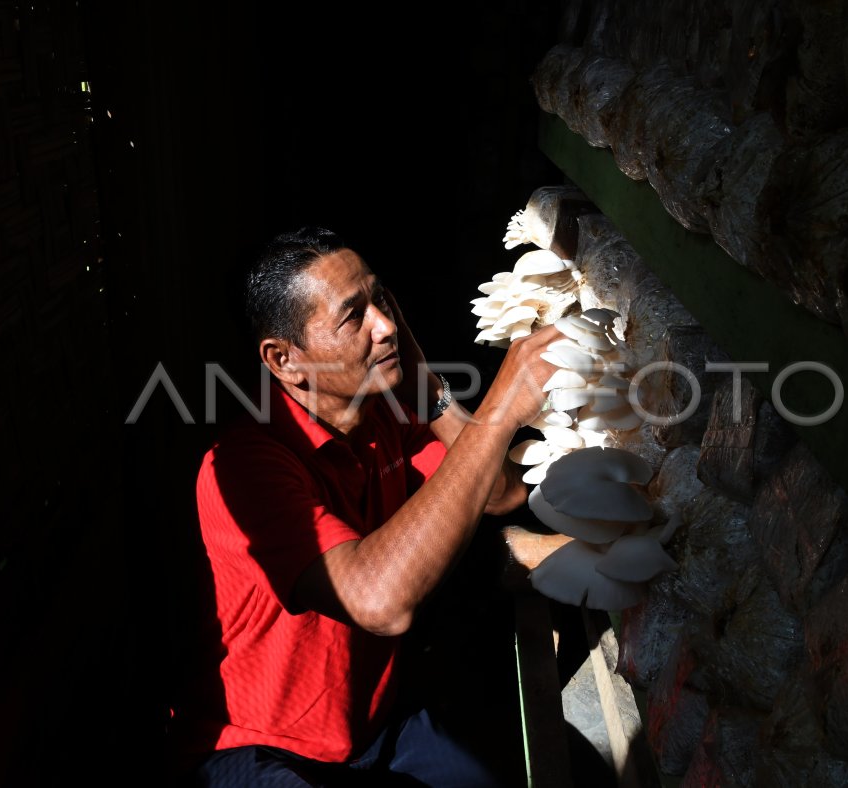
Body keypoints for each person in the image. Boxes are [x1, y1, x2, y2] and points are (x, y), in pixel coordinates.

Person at [173, 227, 563, 787]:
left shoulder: (383, 413)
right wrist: (499, 410)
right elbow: (381, 602)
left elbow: (500, 492)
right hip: (261, 748)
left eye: (382, 300)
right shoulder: (243, 466)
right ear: (284, 360)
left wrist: (424, 382)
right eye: (352, 316)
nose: (385, 326)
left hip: (375, 727)